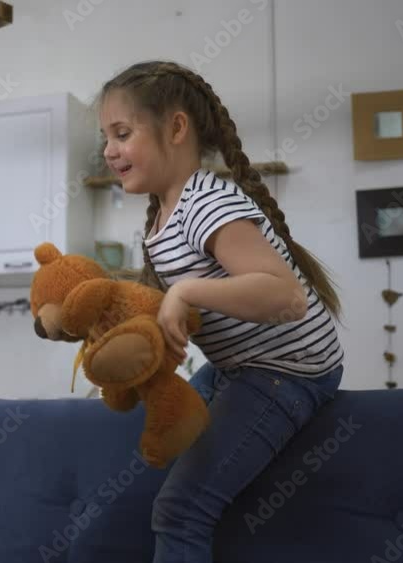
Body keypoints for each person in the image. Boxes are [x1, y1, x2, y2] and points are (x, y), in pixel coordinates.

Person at [97, 60, 345, 562]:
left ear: (177, 128)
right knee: (163, 464)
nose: (108, 150)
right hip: (237, 367)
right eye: (106, 137)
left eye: (122, 134)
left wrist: (186, 291)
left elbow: (286, 296)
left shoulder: (207, 202)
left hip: (289, 371)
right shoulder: (162, 217)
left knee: (179, 511)